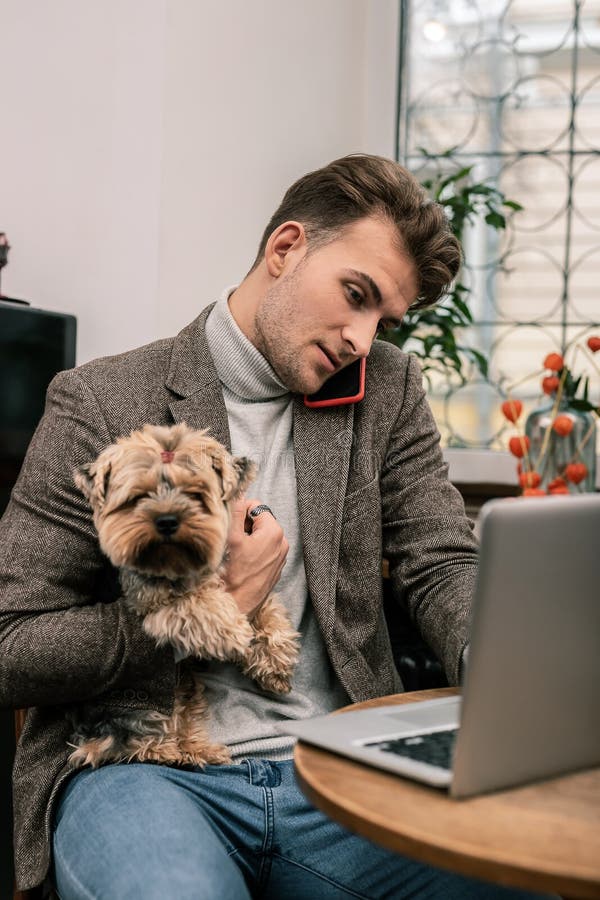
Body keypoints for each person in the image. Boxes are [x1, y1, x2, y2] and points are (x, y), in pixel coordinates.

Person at [0, 154, 546, 899]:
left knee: (525, 879)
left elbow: (441, 560)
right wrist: (209, 603)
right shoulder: (99, 398)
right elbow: (12, 643)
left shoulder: (385, 390)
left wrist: (500, 661)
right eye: (356, 295)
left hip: (341, 772)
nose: (362, 338)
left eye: (384, 320)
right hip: (138, 767)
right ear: (285, 248)